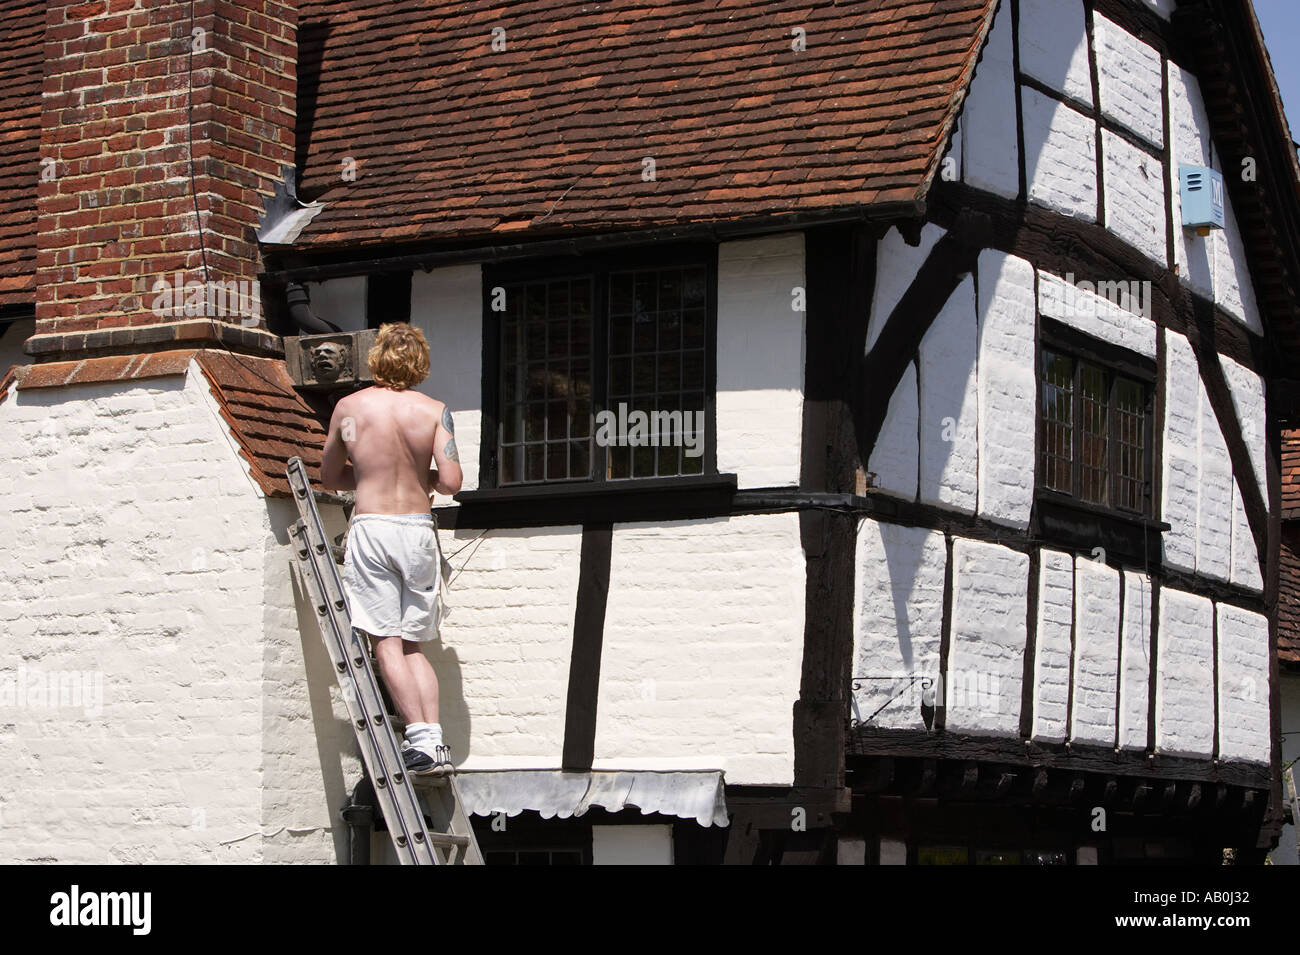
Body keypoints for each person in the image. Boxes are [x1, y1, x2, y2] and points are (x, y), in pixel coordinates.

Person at [319, 322, 462, 776]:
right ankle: (433, 740)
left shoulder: (349, 407)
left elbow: (329, 476)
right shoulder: (436, 411)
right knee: (415, 643)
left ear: (376, 358)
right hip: (417, 530)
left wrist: (364, 478)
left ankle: (418, 741)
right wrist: (424, 479)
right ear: (420, 363)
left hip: (374, 525)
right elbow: (453, 482)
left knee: (385, 641)